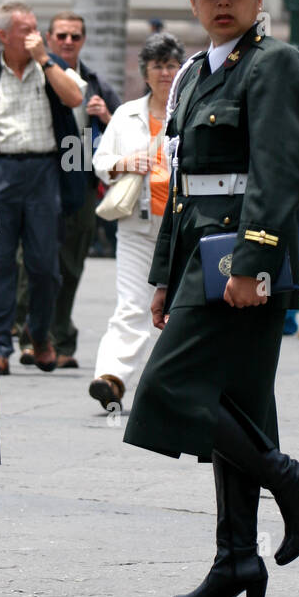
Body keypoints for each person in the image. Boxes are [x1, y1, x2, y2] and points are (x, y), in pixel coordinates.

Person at [124, 0, 299, 597]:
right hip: (199, 257)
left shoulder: (276, 64)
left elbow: (279, 169)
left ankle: (292, 479)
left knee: (167, 387)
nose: (222, 3)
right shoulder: (191, 75)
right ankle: (237, 557)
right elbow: (183, 187)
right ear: (192, 1)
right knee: (239, 407)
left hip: (242, 260)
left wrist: (254, 261)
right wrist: (164, 274)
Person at [0, 0, 84, 375]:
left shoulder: (53, 68)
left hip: (44, 171)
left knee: (44, 266)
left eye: (36, 29)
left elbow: (74, 98)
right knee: (0, 262)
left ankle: (40, 335)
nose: (33, 36)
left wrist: (45, 59)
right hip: (2, 170)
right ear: (4, 35)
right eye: (25, 30)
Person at [89, 32, 184, 410]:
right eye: (157, 65)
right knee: (131, 303)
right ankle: (111, 377)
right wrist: (123, 163)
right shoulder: (127, 114)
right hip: (136, 225)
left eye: (171, 65)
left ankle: (173, 384)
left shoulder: (191, 110)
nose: (164, 72)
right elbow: (100, 163)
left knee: (181, 309)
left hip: (182, 227)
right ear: (145, 72)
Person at [43, 11, 120, 369]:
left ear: (83, 40)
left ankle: (61, 338)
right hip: (42, 179)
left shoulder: (95, 83)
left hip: (82, 180)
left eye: (75, 36)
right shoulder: (37, 76)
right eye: (62, 35)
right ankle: (33, 334)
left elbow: (123, 130)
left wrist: (104, 116)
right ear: (49, 38)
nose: (68, 41)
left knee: (71, 264)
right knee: (35, 264)